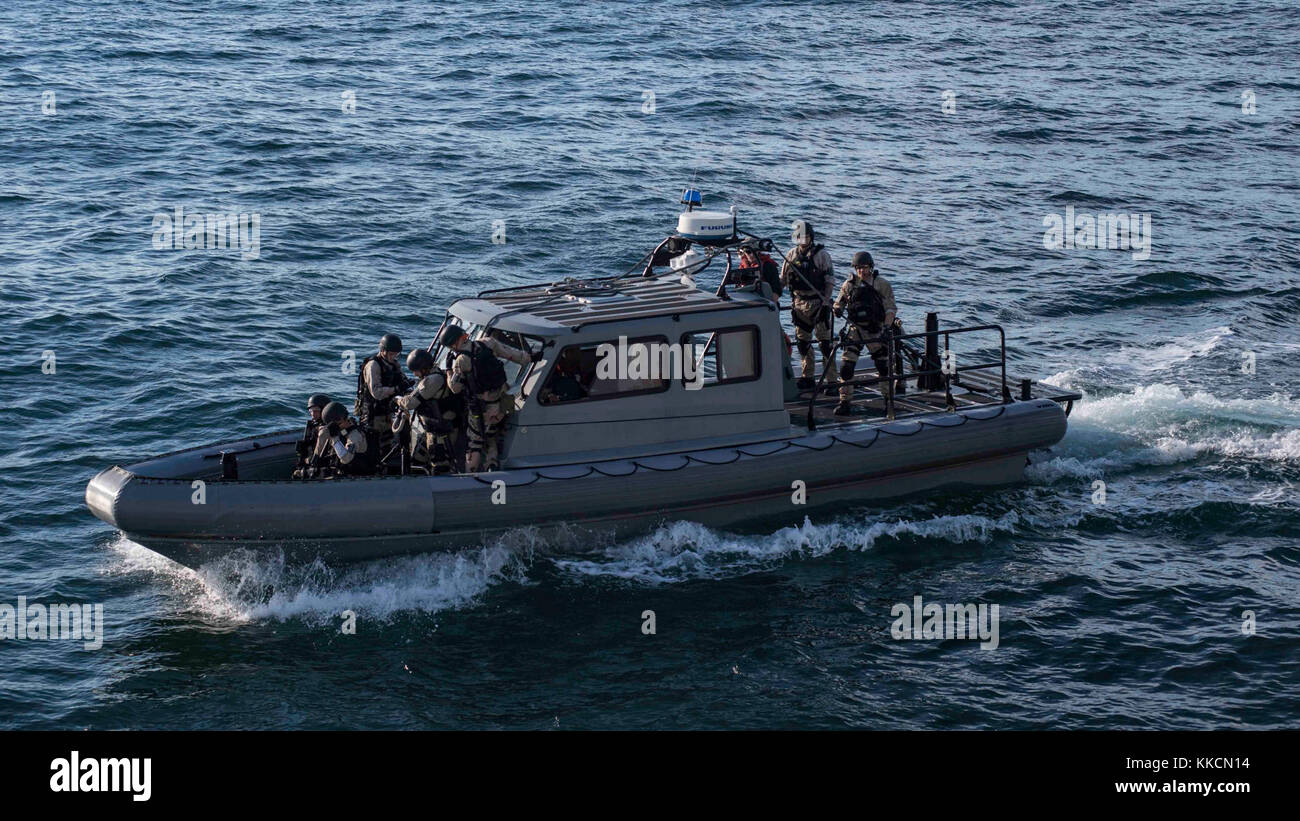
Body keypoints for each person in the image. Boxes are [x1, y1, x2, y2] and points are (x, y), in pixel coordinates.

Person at [441, 324, 539, 472]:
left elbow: (455, 388)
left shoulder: (462, 360)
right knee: (492, 435)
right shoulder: (487, 343)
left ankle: (470, 474)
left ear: (455, 343)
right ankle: (491, 465)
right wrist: (531, 357)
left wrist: (449, 369)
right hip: (503, 403)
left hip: (483, 408)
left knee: (474, 442)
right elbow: (515, 356)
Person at [832, 251, 902, 416]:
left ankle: (888, 400)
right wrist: (836, 309)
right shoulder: (849, 285)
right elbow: (839, 303)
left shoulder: (881, 285)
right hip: (855, 330)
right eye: (859, 268)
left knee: (883, 367)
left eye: (864, 268)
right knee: (846, 368)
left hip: (876, 330)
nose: (862, 271)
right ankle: (845, 401)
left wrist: (886, 327)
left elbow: (891, 308)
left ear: (870, 267)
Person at [781, 220, 836, 390]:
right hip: (799, 304)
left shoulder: (822, 256)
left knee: (825, 345)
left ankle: (832, 380)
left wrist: (826, 301)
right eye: (800, 237)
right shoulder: (791, 255)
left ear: (811, 237)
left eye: (806, 236)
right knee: (803, 343)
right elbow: (783, 279)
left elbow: (830, 281)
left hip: (818, 303)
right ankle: (808, 376)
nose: (803, 239)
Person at [397, 348, 463, 475]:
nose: (415, 375)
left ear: (423, 368)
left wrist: (398, 400)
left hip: (441, 432)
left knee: (440, 465)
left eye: (415, 371)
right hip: (434, 428)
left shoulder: (433, 380)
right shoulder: (434, 375)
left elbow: (410, 403)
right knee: (417, 461)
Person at [355, 333, 411, 466]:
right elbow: (377, 393)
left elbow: (401, 379)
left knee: (388, 443)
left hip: (387, 412)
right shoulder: (373, 365)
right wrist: (396, 389)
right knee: (373, 444)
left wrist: (407, 386)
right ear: (383, 351)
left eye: (396, 354)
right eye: (392, 354)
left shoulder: (393, 365)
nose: (394, 357)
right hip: (372, 414)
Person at [311, 401, 376, 476]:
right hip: (341, 470)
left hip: (356, 474)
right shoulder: (342, 430)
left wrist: (334, 437)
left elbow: (346, 459)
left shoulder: (354, 435)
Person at [292, 393, 331, 478]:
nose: (313, 414)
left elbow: (321, 454)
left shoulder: (327, 430)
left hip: (324, 464)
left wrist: (308, 461)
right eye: (311, 411)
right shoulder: (314, 426)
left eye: (316, 411)